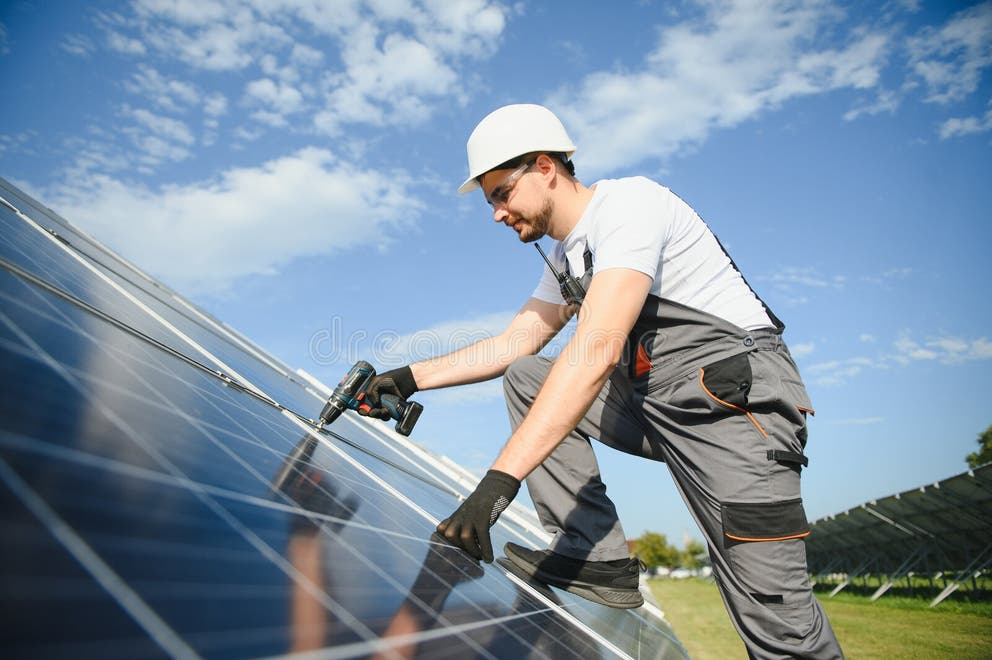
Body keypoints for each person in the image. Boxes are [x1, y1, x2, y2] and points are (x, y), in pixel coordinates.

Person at [359, 104, 843, 658]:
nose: (495, 213)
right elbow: (514, 344)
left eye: (500, 193)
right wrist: (405, 379)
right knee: (527, 375)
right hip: (657, 405)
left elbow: (595, 352)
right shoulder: (567, 256)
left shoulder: (629, 207)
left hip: (733, 409)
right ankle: (596, 558)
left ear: (545, 167)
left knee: (776, 622)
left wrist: (496, 486)